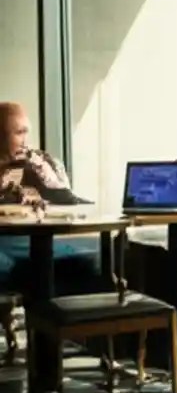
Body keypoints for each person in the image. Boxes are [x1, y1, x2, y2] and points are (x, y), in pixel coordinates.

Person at [0, 102, 102, 297]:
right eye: (18, 133)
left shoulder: (31, 165)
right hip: (8, 239)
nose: (25, 141)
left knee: (98, 255)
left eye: (26, 132)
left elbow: (66, 198)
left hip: (33, 235)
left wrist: (44, 170)